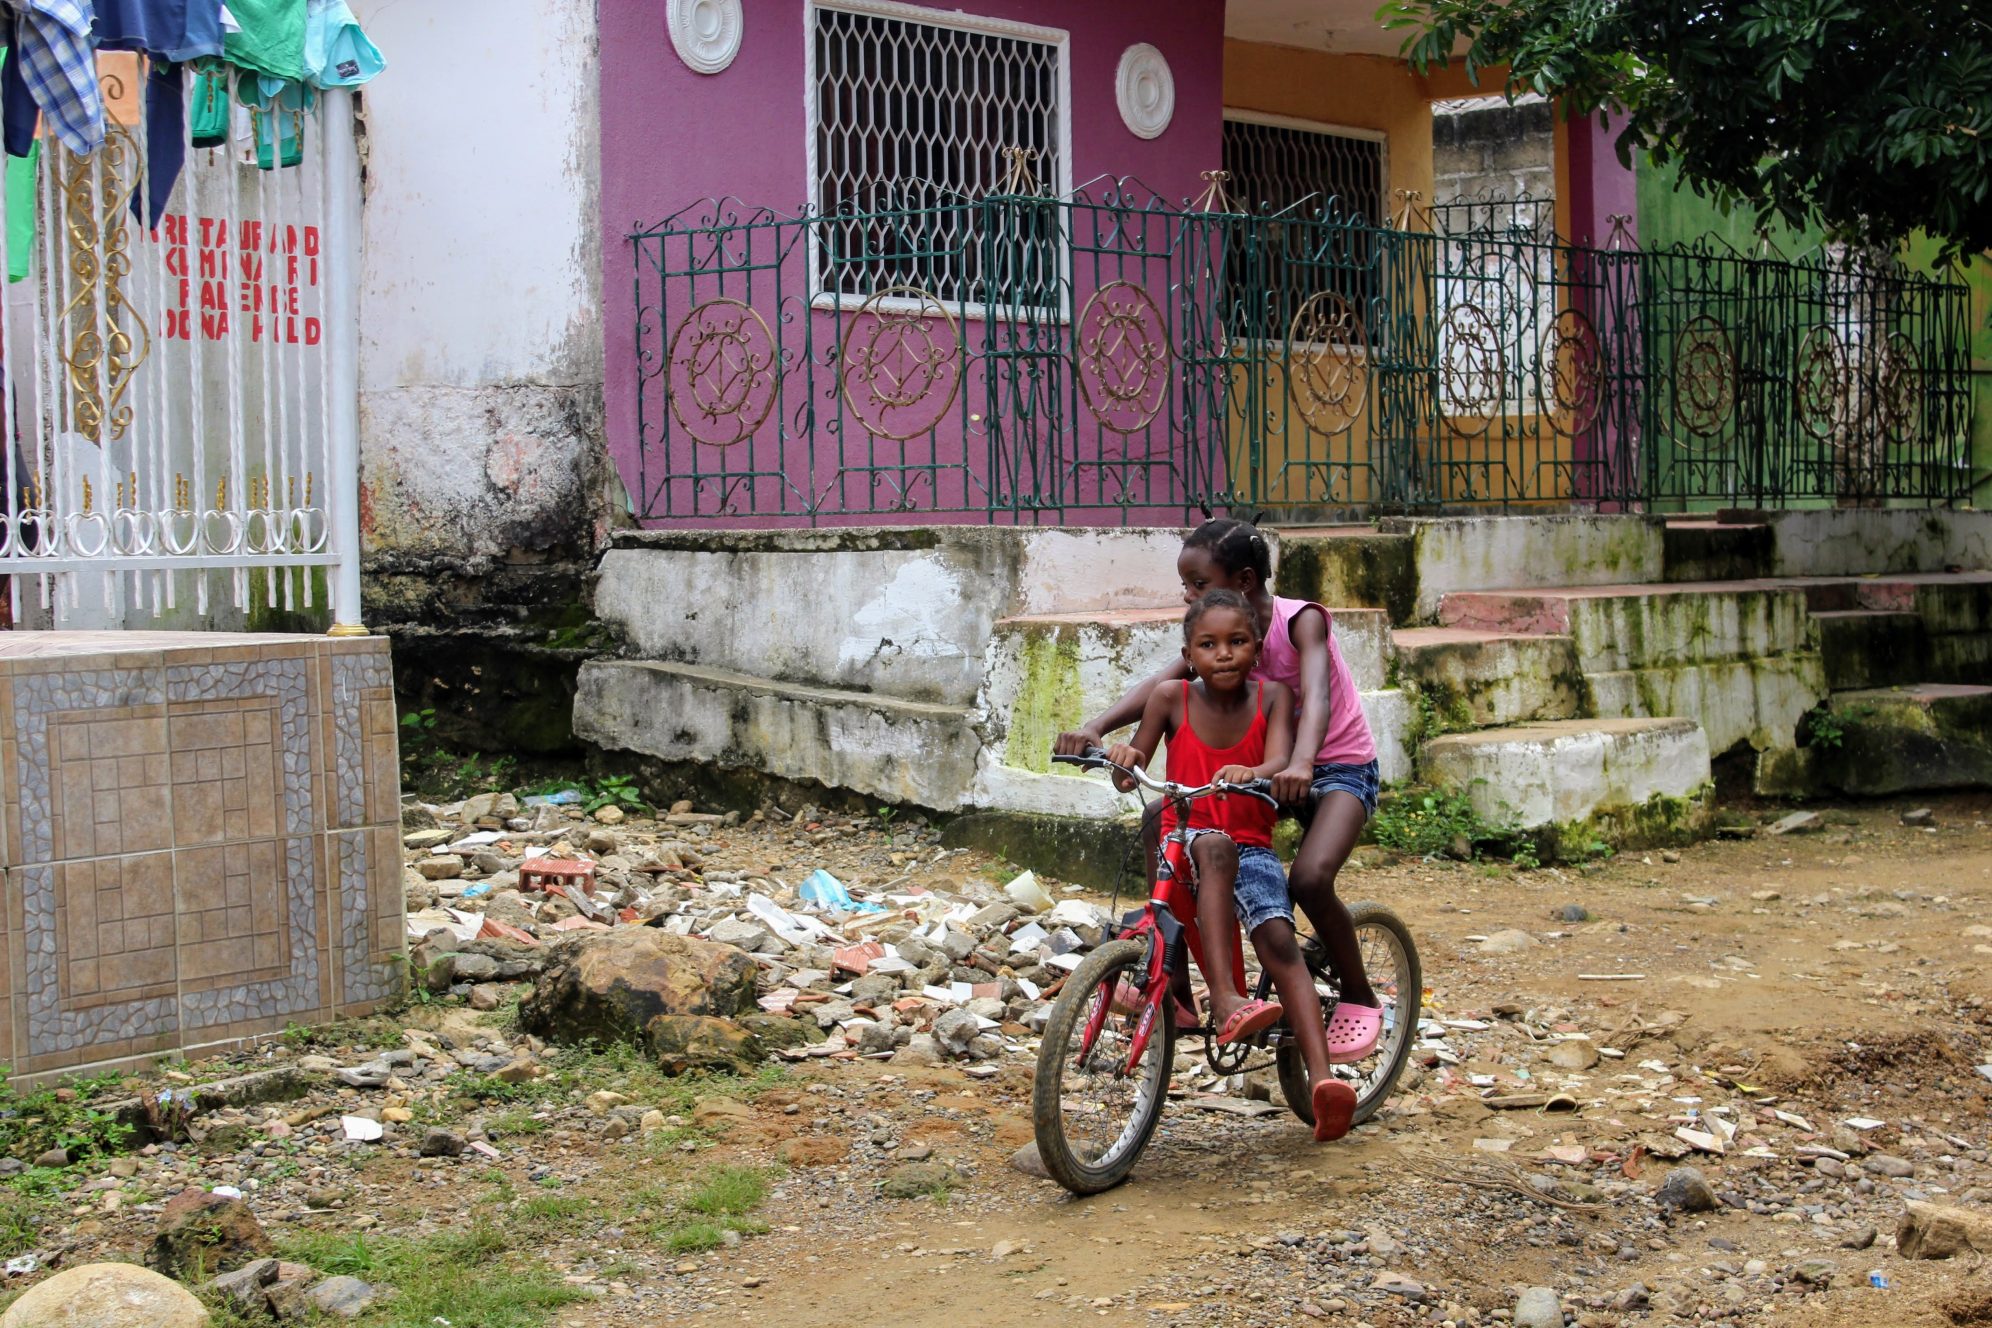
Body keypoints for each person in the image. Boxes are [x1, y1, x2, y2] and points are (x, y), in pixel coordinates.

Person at [1058, 518, 1386, 1067]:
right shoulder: (1219, 630)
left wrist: (1303, 763)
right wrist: (1097, 727)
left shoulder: (1298, 622)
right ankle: (1178, 984)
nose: (1188, 595)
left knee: (1308, 877)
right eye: (1185, 585)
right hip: (1265, 768)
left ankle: (1358, 993)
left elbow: (1320, 696)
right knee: (1168, 818)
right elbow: (1162, 683)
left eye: (1198, 583)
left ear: (1247, 579)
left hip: (1333, 766)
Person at [1103, 589, 1356, 1143]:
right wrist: (1124, 758)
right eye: (1209, 644)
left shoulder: (1273, 698)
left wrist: (1255, 770)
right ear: (1188, 653)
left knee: (1279, 944)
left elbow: (1283, 759)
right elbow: (1135, 764)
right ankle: (1205, 996)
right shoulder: (1170, 696)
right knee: (1172, 827)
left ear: (1256, 646)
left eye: (1237, 642)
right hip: (1183, 841)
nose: (1224, 654)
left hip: (1250, 843)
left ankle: (1322, 1081)